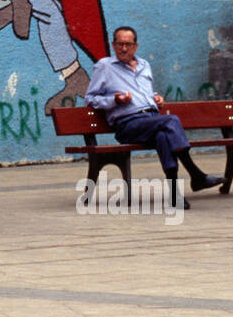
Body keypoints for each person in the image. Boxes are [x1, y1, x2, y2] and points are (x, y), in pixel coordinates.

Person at [84, 27, 225, 208]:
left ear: (136, 46)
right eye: (120, 44)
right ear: (113, 45)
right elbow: (90, 98)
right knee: (171, 120)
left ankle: (174, 194)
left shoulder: (144, 65)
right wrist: (115, 100)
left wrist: (155, 98)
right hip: (128, 124)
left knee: (163, 136)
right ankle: (196, 174)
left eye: (128, 44)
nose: (124, 48)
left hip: (150, 119)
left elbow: (144, 92)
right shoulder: (104, 66)